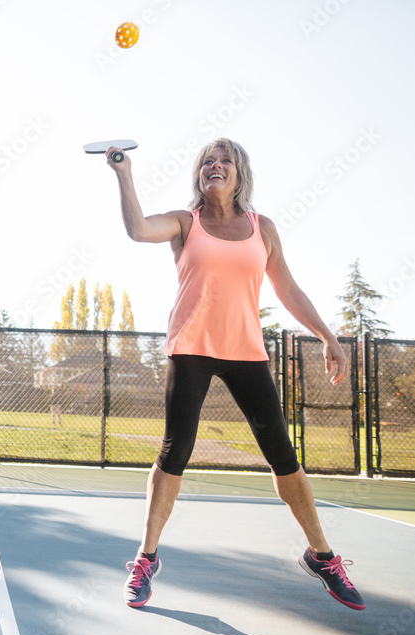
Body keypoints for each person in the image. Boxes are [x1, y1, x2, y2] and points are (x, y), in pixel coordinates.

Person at [108, 138, 364, 610]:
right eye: (208, 160)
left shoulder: (260, 228)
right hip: (192, 349)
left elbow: (286, 286)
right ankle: (146, 557)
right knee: (175, 450)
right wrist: (124, 173)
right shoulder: (186, 223)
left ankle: (322, 556)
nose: (215, 165)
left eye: (225, 160)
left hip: (246, 351)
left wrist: (328, 336)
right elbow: (139, 230)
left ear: (239, 173)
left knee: (283, 455)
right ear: (199, 175)